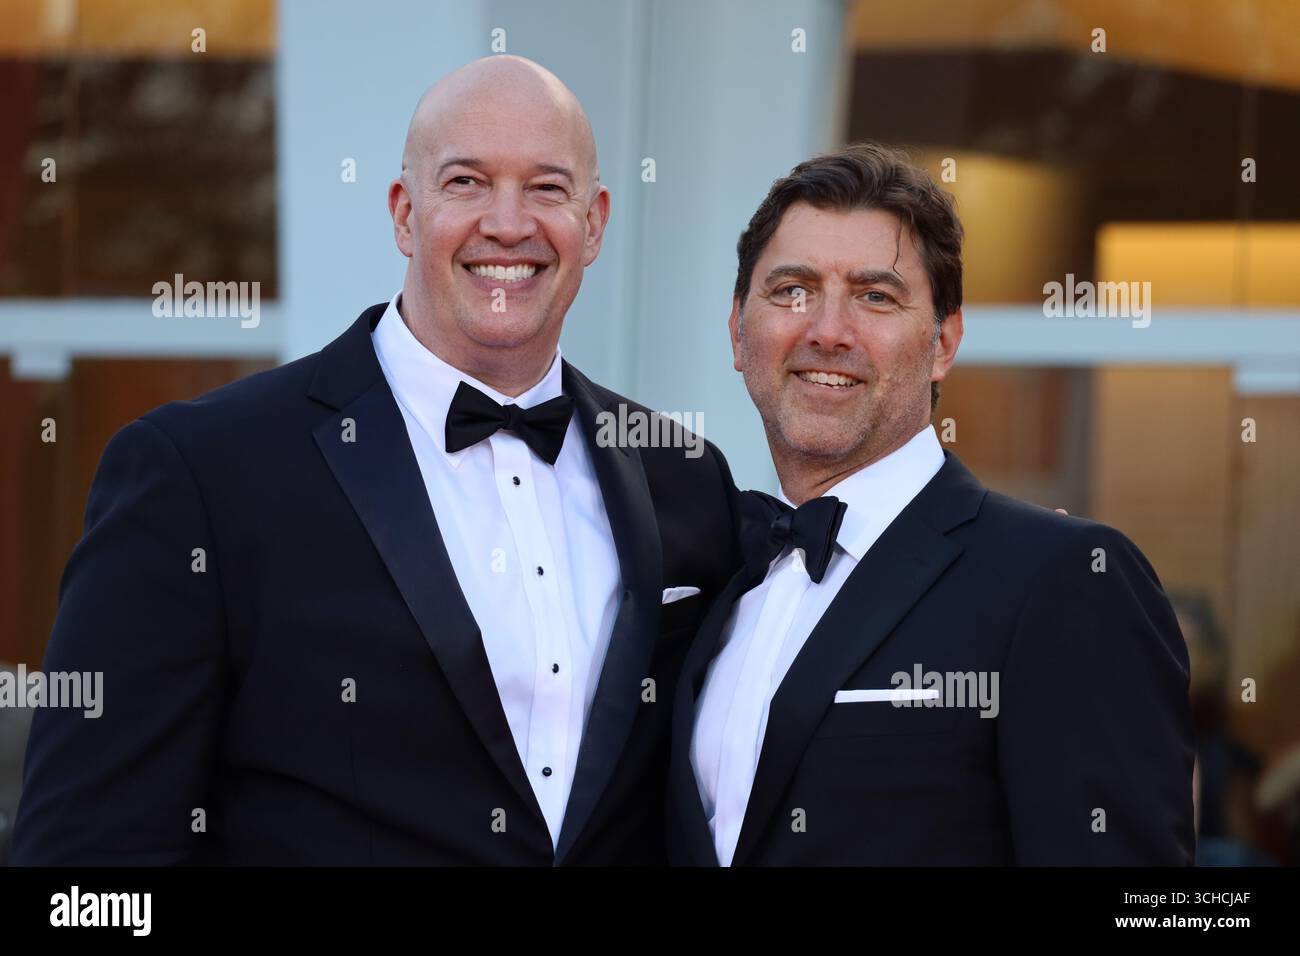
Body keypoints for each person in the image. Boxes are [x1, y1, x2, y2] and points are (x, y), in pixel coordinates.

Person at [14, 56, 739, 866]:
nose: (508, 224)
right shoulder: (200, 475)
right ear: (404, 213)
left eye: (546, 188)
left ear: (595, 222)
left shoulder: (682, 474)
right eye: (465, 182)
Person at [667, 142, 1195, 866]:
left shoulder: (1062, 580)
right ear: (738, 330)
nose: (826, 330)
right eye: (792, 289)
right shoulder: (717, 573)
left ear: (943, 340)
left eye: (875, 296)